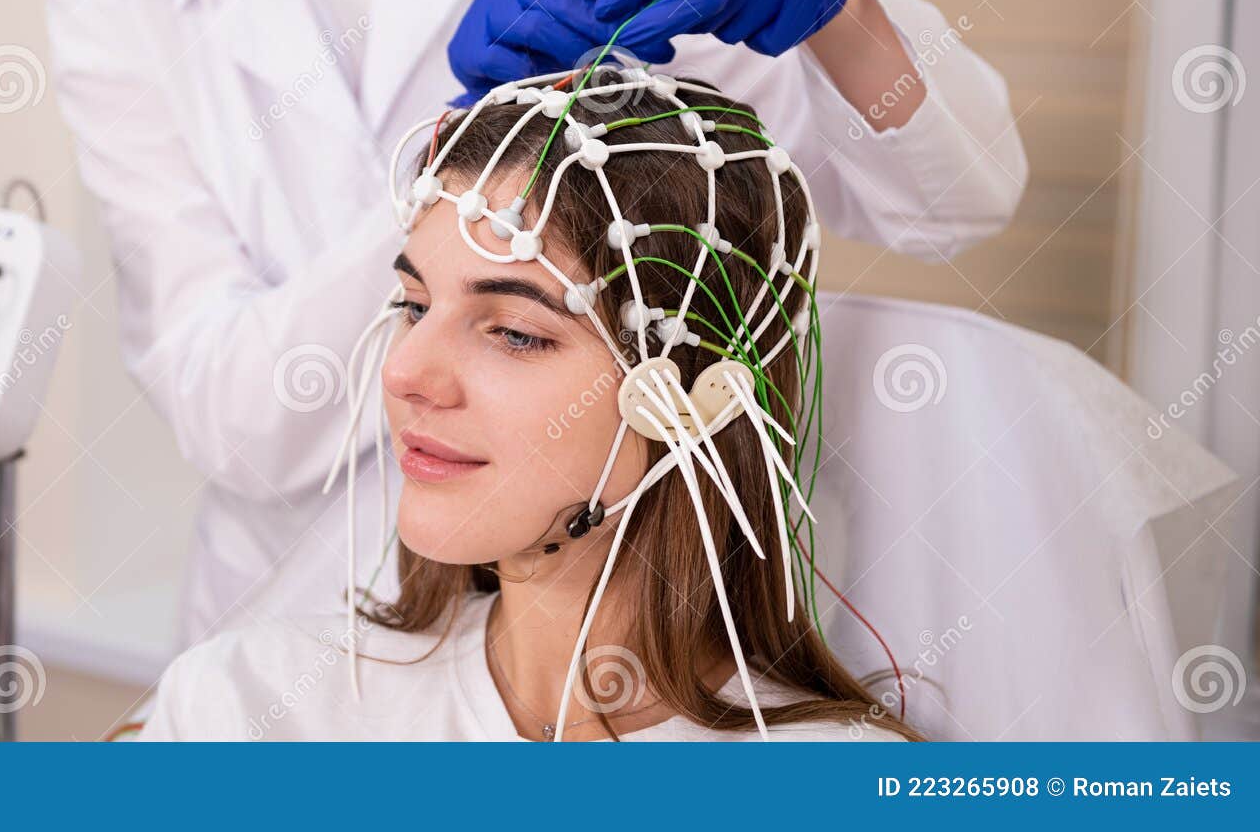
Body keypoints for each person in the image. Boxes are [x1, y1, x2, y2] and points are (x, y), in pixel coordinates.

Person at [47, 0, 1029, 648]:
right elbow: (237, 420)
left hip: (623, 601)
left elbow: (945, 206)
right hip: (305, 625)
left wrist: (842, 9)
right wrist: (463, 145)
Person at [140, 71, 920, 741]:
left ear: (695, 396)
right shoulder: (242, 708)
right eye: (414, 306)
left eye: (513, 333)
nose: (407, 373)